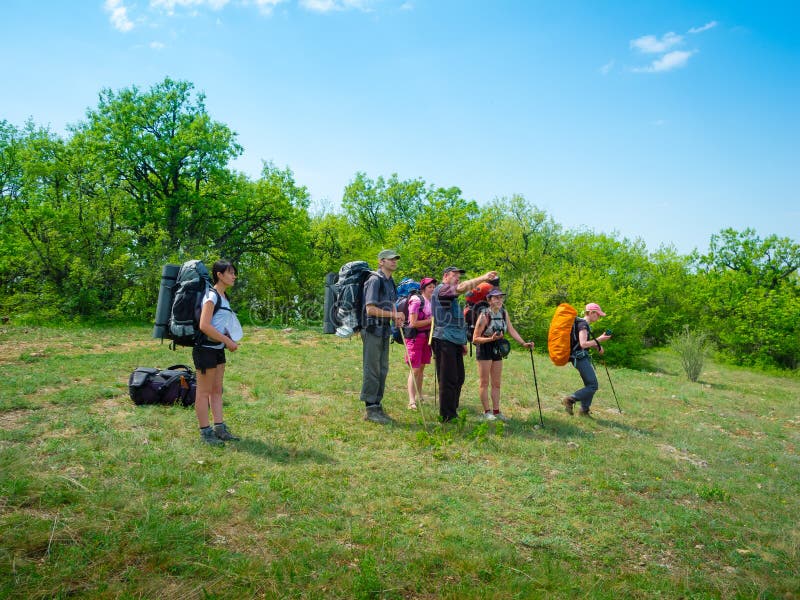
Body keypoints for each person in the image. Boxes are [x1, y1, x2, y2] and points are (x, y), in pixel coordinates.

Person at [431, 266, 498, 422]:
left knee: (459, 377)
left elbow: (458, 320)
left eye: (459, 276)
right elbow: (461, 288)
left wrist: (462, 342)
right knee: (448, 378)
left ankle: (452, 410)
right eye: (454, 275)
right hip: (443, 340)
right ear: (445, 276)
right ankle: (447, 416)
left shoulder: (451, 296)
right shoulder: (442, 290)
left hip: (454, 341)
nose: (457, 278)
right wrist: (484, 277)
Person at [194, 259, 242, 445]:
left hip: (217, 349)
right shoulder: (211, 296)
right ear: (219, 275)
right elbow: (204, 325)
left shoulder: (224, 297)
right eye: (230, 273)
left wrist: (228, 336)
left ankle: (220, 428)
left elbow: (218, 324)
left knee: (216, 390)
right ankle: (206, 433)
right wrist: (227, 341)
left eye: (234, 272)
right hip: (205, 349)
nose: (234, 276)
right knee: (203, 392)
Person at [471, 288, 534, 421]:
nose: (499, 300)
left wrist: (523, 343)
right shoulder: (484, 315)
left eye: (500, 297)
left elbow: (511, 330)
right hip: (484, 347)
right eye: (495, 298)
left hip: (497, 347)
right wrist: (490, 339)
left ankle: (497, 411)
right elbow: (475, 339)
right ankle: (486, 412)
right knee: (484, 382)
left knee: (497, 383)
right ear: (489, 300)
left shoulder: (504, 313)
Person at [361, 249, 404, 424]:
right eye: (390, 259)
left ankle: (377, 405)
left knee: (382, 369)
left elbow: (391, 305)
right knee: (372, 368)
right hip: (372, 330)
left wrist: (397, 317)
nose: (394, 262)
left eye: (395, 259)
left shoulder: (390, 282)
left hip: (385, 330)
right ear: (381, 262)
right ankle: (370, 409)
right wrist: (393, 316)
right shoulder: (374, 280)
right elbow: (370, 309)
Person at [562, 302, 612, 418]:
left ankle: (584, 411)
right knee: (593, 385)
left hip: (579, 356)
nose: (598, 317)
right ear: (591, 313)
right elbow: (583, 344)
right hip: (579, 357)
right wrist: (599, 339)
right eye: (598, 315)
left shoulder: (582, 324)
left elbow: (583, 343)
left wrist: (597, 345)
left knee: (589, 384)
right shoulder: (583, 325)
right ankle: (570, 399)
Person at [404, 276, 436, 409]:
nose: (432, 290)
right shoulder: (416, 301)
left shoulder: (433, 301)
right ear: (423, 289)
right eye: (430, 287)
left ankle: (419, 395)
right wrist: (431, 321)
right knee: (415, 369)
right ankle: (411, 401)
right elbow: (413, 323)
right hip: (415, 338)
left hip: (427, 338)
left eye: (434, 287)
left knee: (421, 368)